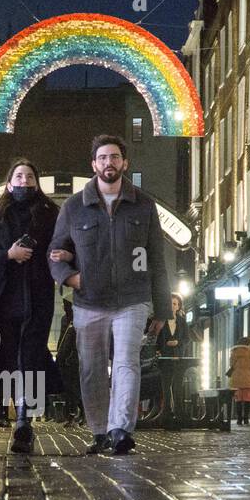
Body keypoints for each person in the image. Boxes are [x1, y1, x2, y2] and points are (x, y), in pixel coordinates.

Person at [49, 135, 173, 455]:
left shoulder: (143, 204)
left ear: (124, 163)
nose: (109, 163)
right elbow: (56, 252)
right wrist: (71, 278)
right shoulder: (74, 207)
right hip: (89, 301)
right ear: (94, 164)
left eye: (115, 157)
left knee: (126, 361)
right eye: (103, 158)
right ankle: (100, 431)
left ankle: (121, 429)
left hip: (133, 298)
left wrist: (163, 309)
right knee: (91, 368)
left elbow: (157, 259)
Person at [0, 158, 63, 454]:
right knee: (8, 360)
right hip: (2, 301)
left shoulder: (50, 215)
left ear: (37, 182)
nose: (24, 181)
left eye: (30, 177)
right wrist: (8, 255)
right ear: (9, 183)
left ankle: (24, 420)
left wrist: (58, 257)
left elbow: (63, 246)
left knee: (29, 358)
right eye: (19, 177)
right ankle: (11, 412)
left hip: (37, 298)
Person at [155, 294, 196, 426]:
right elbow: (156, 337)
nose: (172, 306)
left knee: (178, 386)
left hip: (178, 358)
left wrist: (178, 343)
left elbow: (187, 339)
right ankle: (166, 413)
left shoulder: (182, 321)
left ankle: (179, 413)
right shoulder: (161, 321)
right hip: (165, 358)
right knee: (165, 387)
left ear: (178, 306)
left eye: (175, 304)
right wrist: (161, 347)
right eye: (170, 303)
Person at [56, 298, 83, 425]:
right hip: (63, 359)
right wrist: (59, 353)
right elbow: (62, 337)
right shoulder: (64, 319)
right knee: (67, 389)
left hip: (74, 360)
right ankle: (72, 414)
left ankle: (73, 415)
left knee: (74, 389)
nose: (63, 306)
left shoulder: (79, 320)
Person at [227, 337, 250, 425]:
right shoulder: (249, 351)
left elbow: (231, 364)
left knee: (238, 400)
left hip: (236, 379)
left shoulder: (233, 351)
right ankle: (246, 419)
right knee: (247, 400)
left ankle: (239, 419)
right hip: (248, 378)